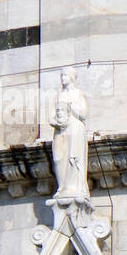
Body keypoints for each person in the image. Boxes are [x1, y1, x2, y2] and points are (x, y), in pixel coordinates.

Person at [50, 67, 90, 205]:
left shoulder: (78, 94)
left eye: (65, 75)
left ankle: (75, 187)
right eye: (61, 76)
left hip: (75, 128)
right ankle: (62, 187)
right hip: (60, 130)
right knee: (58, 158)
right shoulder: (58, 95)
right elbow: (51, 115)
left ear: (72, 77)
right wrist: (55, 122)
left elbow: (83, 113)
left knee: (74, 158)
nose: (62, 78)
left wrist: (71, 107)